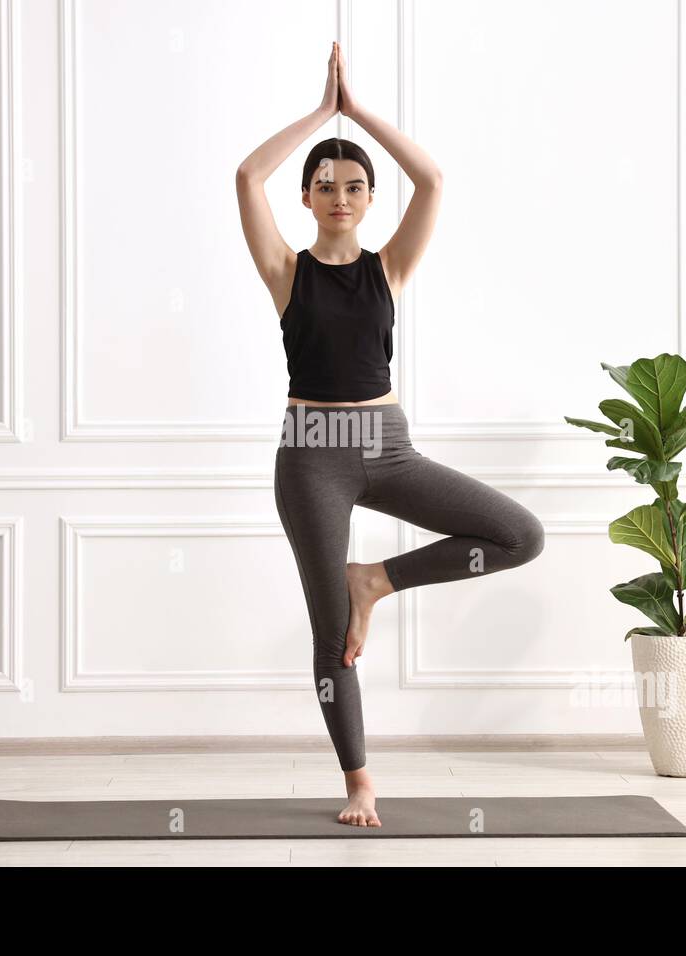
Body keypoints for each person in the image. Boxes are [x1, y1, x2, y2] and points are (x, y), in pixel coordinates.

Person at [235, 42, 545, 827]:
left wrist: (357, 109)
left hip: (390, 449)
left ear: (370, 198)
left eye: (355, 185)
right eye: (326, 185)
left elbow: (435, 179)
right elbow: (245, 177)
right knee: (331, 635)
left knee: (519, 534)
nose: (340, 196)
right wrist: (320, 112)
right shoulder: (285, 270)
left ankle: (375, 578)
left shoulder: (389, 268)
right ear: (306, 197)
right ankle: (360, 783)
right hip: (311, 461)